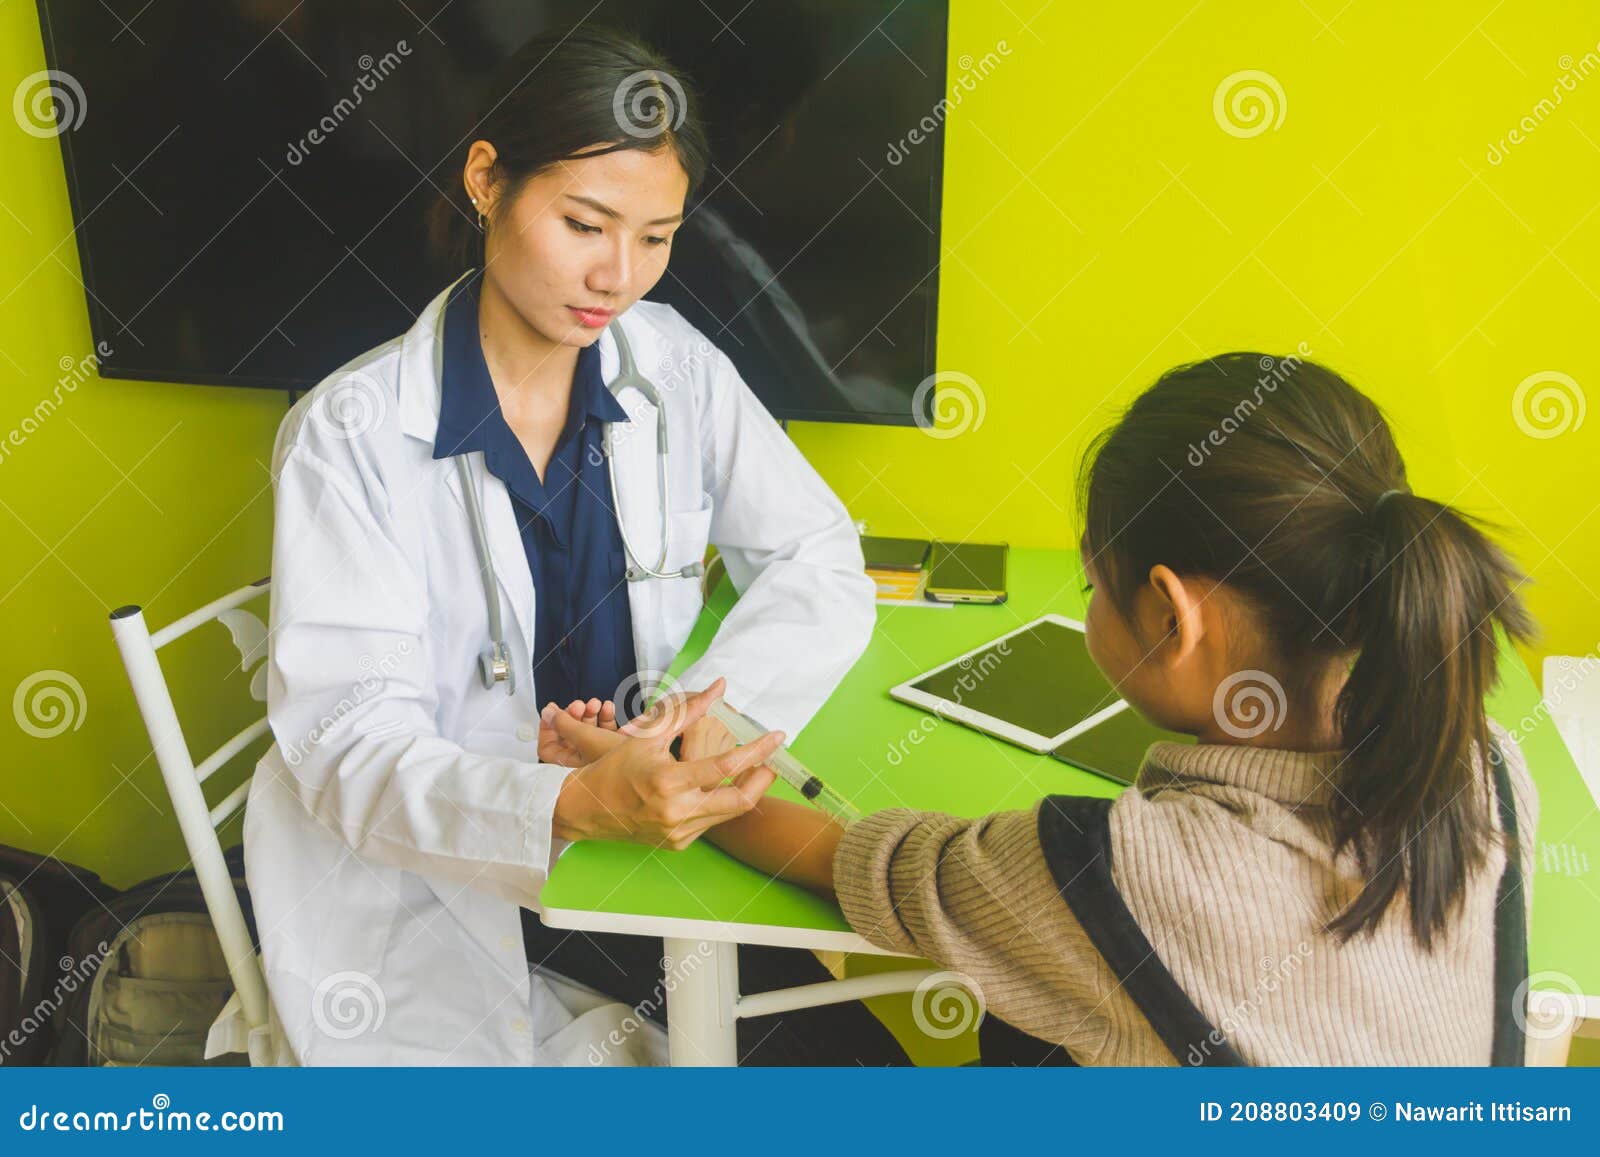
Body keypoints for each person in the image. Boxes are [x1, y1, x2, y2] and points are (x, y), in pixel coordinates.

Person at [550, 352, 1541, 1065]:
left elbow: (859, 864)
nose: (1090, 605)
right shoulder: (1487, 767)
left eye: (1090, 586)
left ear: (1171, 616)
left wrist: (669, 775)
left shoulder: (1119, 870)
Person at [241, 26, 901, 1065]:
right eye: (584, 224)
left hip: (645, 851)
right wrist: (568, 799)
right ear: (486, 180)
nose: (618, 275)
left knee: (862, 1068)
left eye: (656, 236)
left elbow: (815, 551)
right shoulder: (348, 434)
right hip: (450, 876)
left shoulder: (672, 366)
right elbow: (347, 745)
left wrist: (698, 722)